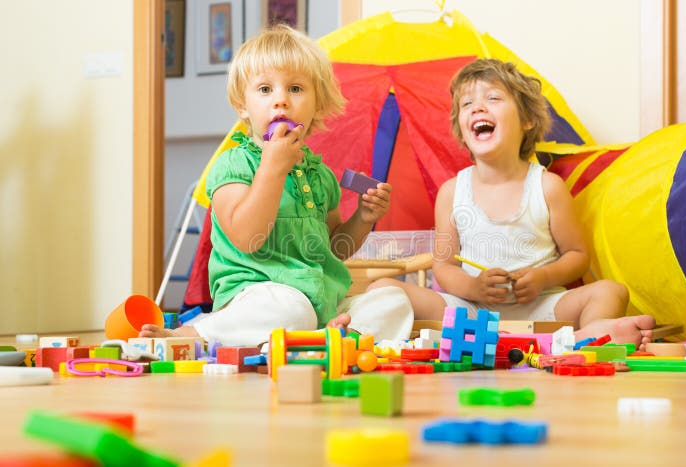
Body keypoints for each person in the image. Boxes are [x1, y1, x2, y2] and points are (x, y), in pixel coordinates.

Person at [140, 25, 414, 346]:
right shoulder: (234, 164)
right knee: (291, 311)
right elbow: (245, 237)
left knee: (393, 300)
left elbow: (334, 248)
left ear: (317, 104)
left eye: (295, 89)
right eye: (265, 89)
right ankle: (198, 333)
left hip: (321, 300)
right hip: (259, 295)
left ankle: (333, 340)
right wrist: (272, 166)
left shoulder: (320, 175)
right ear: (243, 105)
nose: (281, 100)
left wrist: (363, 219)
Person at [368, 59, 655, 348]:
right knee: (385, 288)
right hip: (473, 311)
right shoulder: (451, 192)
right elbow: (444, 265)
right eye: (467, 104)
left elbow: (577, 255)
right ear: (462, 131)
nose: (478, 108)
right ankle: (559, 342)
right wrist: (474, 287)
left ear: (527, 120)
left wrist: (542, 277)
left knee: (610, 291)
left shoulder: (547, 187)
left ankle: (585, 340)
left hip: (541, 308)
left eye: (493, 98)